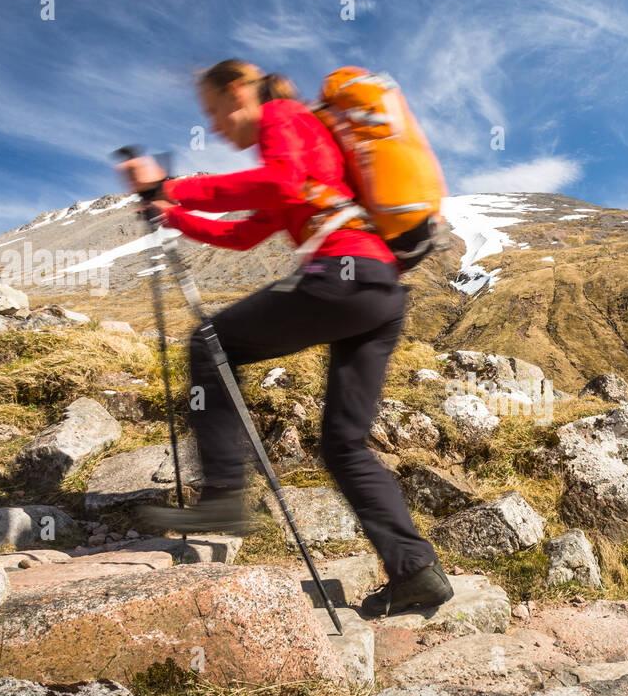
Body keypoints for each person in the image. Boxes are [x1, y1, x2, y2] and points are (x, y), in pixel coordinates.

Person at [114, 58, 452, 617]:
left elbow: (280, 181)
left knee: (209, 344)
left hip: (343, 275)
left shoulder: (282, 115)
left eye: (215, 112)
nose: (217, 128)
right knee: (344, 444)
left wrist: (169, 185)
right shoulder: (305, 143)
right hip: (378, 290)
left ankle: (222, 496)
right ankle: (416, 573)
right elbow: (248, 233)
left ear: (239, 90)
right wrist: (173, 214)